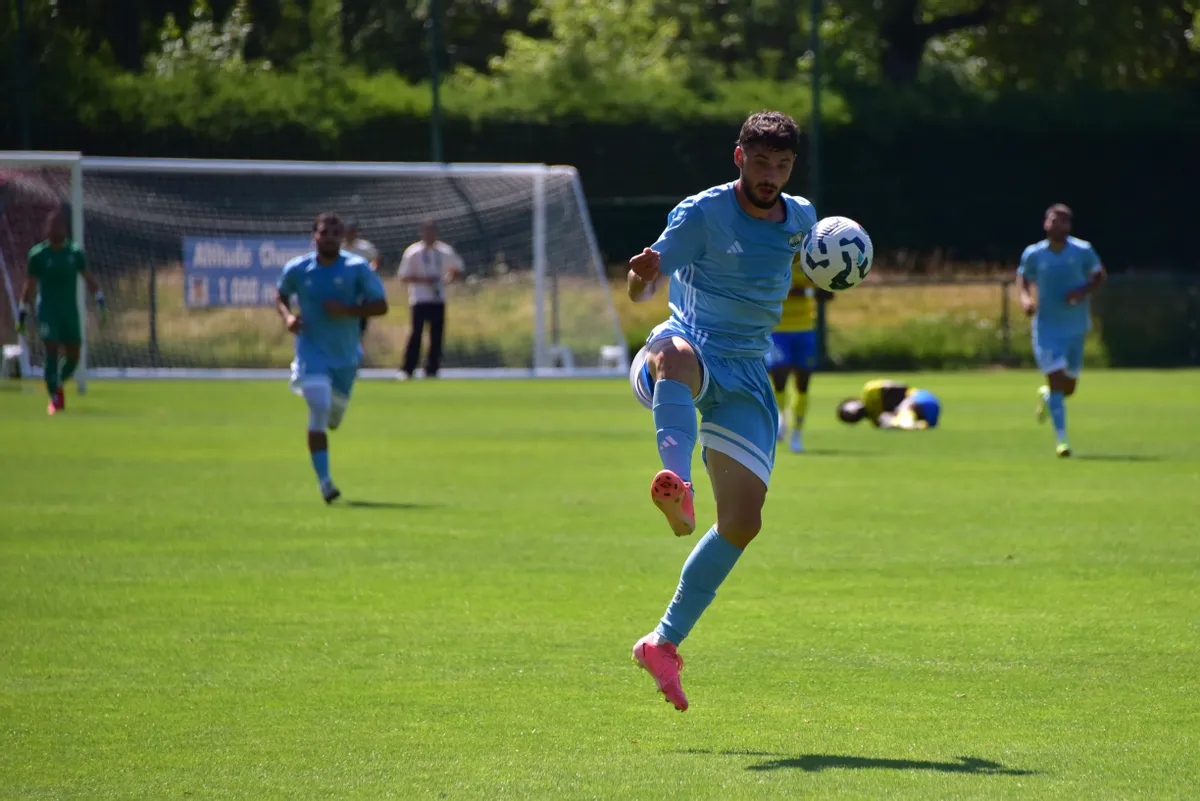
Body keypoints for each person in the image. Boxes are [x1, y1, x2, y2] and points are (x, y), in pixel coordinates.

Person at [625, 110, 816, 711]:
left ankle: (662, 643)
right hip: (682, 349)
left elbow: (824, 255)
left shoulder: (804, 218)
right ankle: (675, 480)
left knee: (742, 523)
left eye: (782, 165)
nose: (771, 175)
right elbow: (644, 283)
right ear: (739, 157)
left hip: (746, 374)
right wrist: (639, 280)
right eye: (761, 163)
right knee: (675, 356)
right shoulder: (701, 212)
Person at [276, 212, 388, 503]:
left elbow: (381, 306)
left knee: (333, 417)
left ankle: (330, 425)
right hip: (311, 351)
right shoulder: (298, 268)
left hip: (346, 356)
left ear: (342, 237)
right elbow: (280, 294)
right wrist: (288, 317)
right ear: (314, 235)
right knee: (319, 406)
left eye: (335, 232)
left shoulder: (357, 268)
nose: (329, 237)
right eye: (324, 232)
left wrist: (348, 311)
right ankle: (325, 483)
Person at [1018, 203, 1105, 457]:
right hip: (1047, 329)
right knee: (1056, 381)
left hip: (1076, 327)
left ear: (1070, 226)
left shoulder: (1082, 251)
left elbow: (1099, 276)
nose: (1059, 225)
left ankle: (1048, 398)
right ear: (1046, 224)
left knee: (1068, 388)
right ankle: (1062, 440)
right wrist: (1025, 299)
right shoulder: (1034, 254)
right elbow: (1023, 277)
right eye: (1055, 220)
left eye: (1064, 221)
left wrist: (1082, 292)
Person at [16, 208, 105, 415]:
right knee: (52, 349)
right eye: (53, 224)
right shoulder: (38, 255)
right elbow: (29, 285)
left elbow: (88, 277)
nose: (57, 228)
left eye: (61, 224)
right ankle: (55, 399)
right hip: (48, 310)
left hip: (70, 311)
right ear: (46, 229)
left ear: (65, 229)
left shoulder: (74, 253)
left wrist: (100, 298)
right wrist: (22, 311)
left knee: (74, 356)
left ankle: (55, 382)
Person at [768, 266, 833, 453]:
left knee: (803, 382)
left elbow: (827, 294)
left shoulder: (813, 261)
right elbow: (778, 290)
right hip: (778, 329)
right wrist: (806, 291)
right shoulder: (778, 259)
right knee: (779, 376)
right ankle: (781, 416)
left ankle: (797, 433)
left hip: (805, 328)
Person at [397, 219, 463, 379]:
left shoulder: (444, 251)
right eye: (426, 231)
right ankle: (408, 368)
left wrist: (447, 279)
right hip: (420, 299)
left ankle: (432, 369)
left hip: (438, 299)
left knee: (437, 335)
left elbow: (458, 268)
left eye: (432, 231)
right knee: (416, 334)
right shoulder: (413, 252)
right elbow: (404, 276)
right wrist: (424, 280)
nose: (429, 235)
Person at [836, 379, 941, 430]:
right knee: (888, 422)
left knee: (904, 407)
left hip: (921, 399)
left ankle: (908, 423)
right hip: (928, 418)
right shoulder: (878, 420)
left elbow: (901, 387)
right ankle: (913, 425)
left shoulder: (871, 391)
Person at [342, 221, 383, 338]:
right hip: (344, 287)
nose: (350, 234)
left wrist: (370, 272)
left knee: (361, 318)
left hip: (362, 288)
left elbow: (378, 259)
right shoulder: (340, 247)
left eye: (352, 232)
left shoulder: (364, 247)